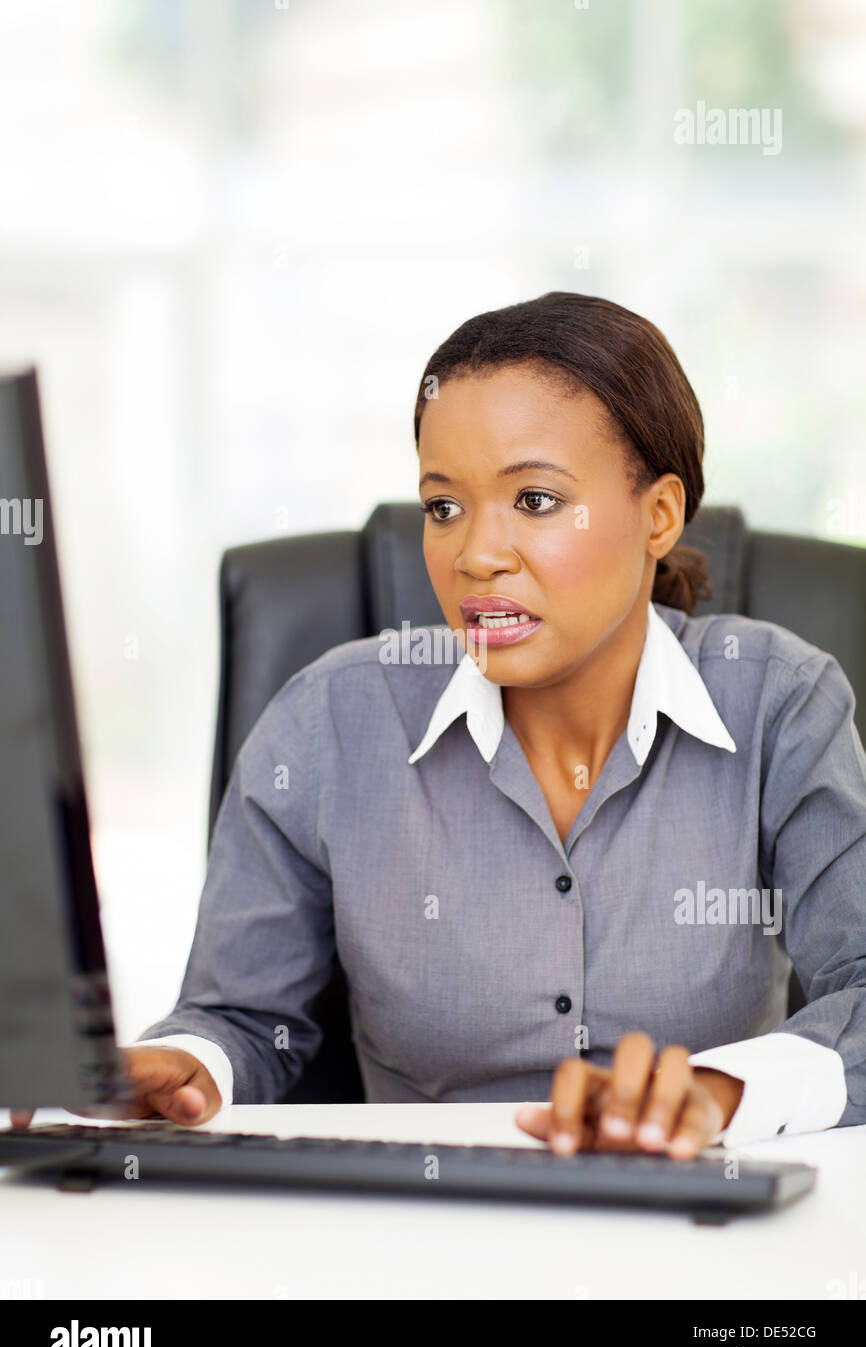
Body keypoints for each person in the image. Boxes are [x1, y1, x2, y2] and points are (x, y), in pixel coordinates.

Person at [13, 292, 864, 1158]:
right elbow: (239, 1017)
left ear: (660, 513)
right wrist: (187, 1063)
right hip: (416, 1234)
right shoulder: (331, 720)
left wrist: (718, 1093)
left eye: (534, 499)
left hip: (700, 1231)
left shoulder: (780, 703)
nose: (474, 555)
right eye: (443, 506)